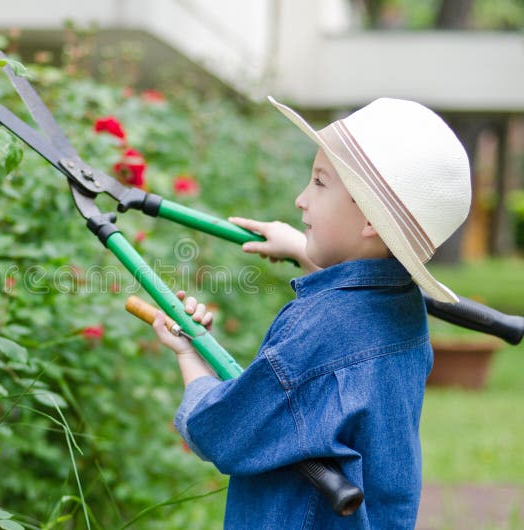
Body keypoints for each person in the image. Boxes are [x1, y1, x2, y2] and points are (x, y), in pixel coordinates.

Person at [152, 96, 472, 529]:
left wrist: (189, 353)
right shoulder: (403, 305)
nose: (301, 199)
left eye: (320, 183)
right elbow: (359, 301)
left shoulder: (314, 333)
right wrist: (303, 249)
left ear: (372, 222)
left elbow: (222, 432)